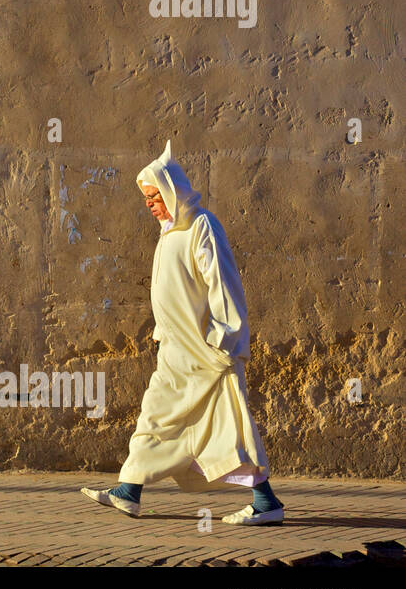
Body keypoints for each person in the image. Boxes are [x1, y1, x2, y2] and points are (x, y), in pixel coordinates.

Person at [81, 141, 284, 525]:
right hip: (175, 353)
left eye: (154, 195)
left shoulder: (201, 226)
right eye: (146, 197)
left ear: (172, 191)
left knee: (229, 425)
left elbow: (221, 281)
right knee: (155, 418)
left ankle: (266, 501)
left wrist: (226, 336)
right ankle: (130, 490)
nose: (149, 203)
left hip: (207, 353)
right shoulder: (169, 233)